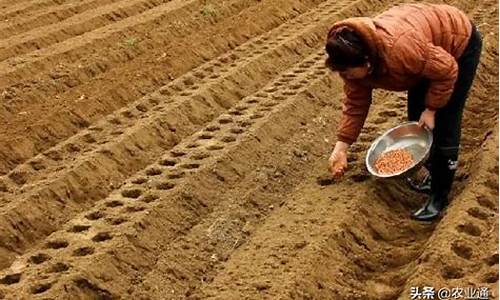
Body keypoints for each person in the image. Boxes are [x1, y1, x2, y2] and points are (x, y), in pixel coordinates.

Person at [325, 3, 482, 221]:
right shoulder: (350, 61)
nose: (346, 77)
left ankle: (439, 195)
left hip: (457, 45)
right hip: (425, 50)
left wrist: (432, 108)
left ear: (367, 63)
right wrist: (341, 147)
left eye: (349, 72)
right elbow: (355, 103)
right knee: (416, 120)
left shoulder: (400, 50)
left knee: (445, 118)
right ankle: (432, 176)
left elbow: (447, 70)